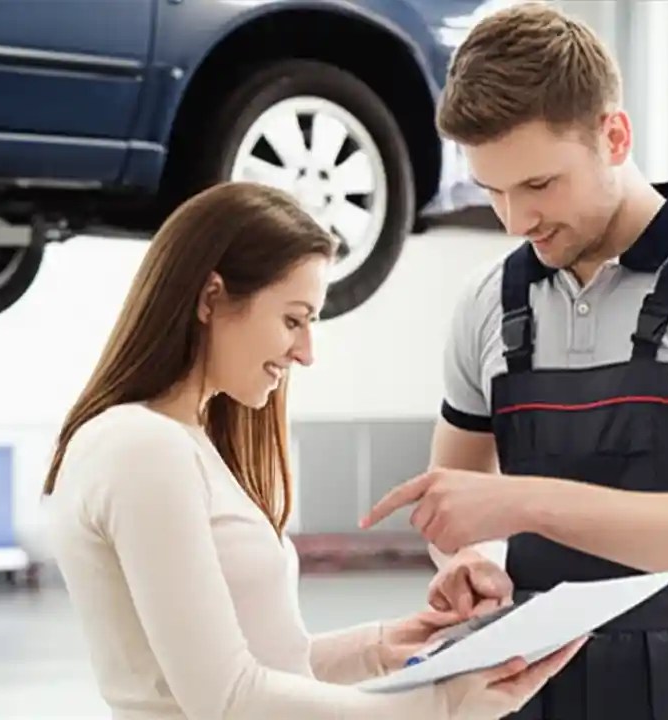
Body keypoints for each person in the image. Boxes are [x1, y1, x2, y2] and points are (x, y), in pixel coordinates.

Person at [359, 4, 668, 720]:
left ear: (615, 135)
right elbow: (459, 512)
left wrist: (527, 504)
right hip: (525, 687)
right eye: (494, 192)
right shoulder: (487, 303)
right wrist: (469, 563)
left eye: (541, 185)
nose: (516, 222)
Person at [41, 180, 582, 720]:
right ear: (211, 298)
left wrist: (379, 648)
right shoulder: (143, 448)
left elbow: (259, 667)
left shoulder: (174, 443)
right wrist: (440, 707)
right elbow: (228, 699)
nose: (305, 353)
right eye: (293, 320)